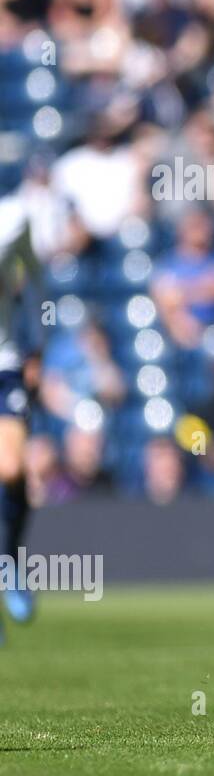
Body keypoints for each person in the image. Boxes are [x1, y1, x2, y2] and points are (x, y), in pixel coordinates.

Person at [0, 191, 43, 638]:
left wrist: (37, 346)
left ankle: (9, 559)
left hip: (6, 365)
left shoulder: (12, 221)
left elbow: (35, 278)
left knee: (11, 469)